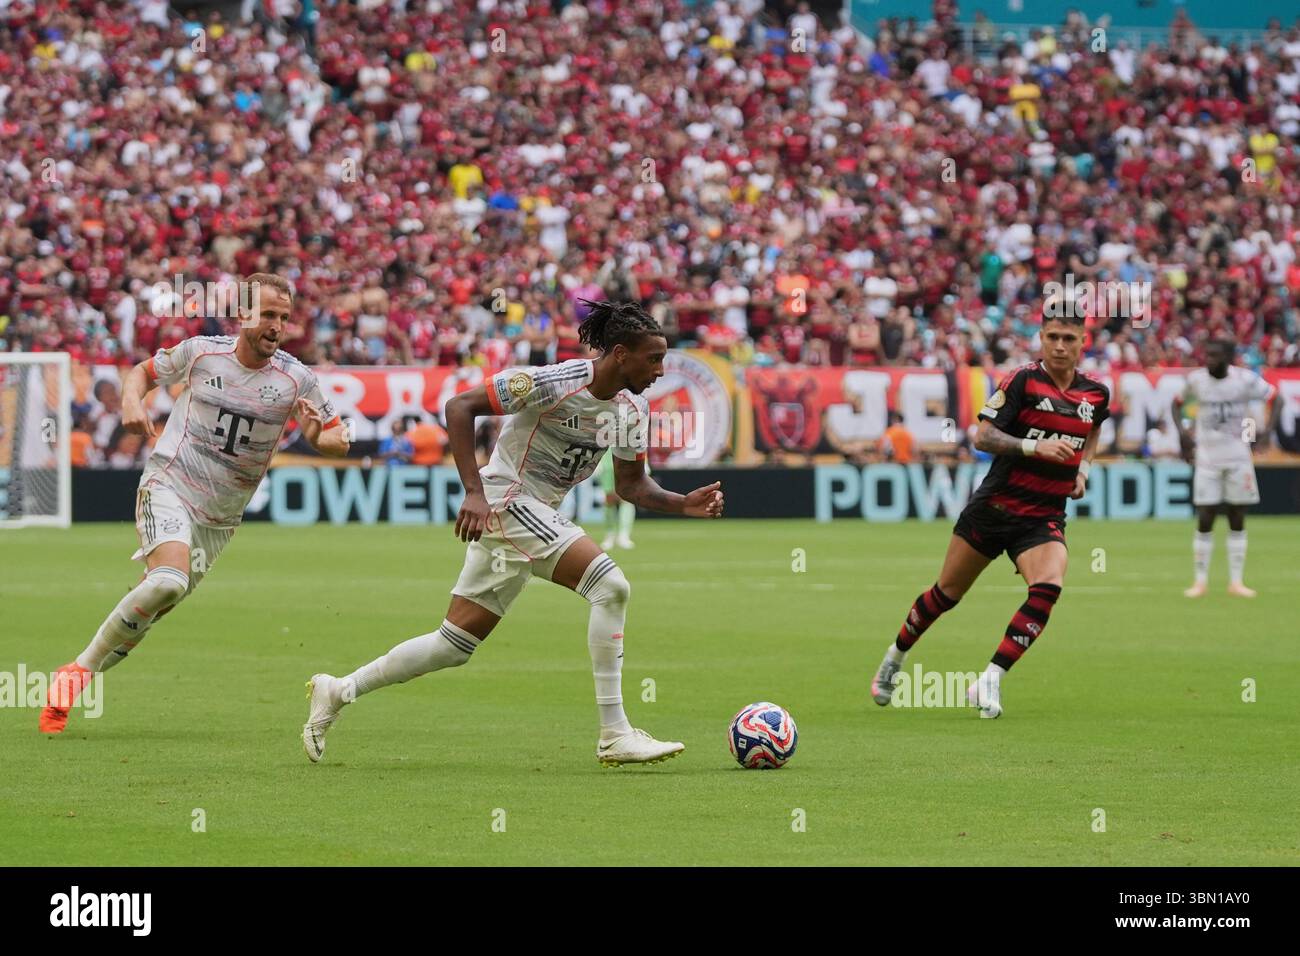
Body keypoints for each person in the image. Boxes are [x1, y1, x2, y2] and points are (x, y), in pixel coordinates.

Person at [302, 301, 724, 766]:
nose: (662, 370)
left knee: (453, 644)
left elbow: (630, 485)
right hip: (507, 501)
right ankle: (614, 732)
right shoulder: (553, 383)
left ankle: (339, 690)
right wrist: (474, 491)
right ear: (621, 354)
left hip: (534, 516)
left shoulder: (631, 409)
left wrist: (680, 502)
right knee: (611, 587)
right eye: (654, 358)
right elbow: (460, 406)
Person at [39, 274, 351, 734]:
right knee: (167, 581)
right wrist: (132, 403)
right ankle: (77, 673)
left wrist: (321, 439)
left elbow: (335, 439)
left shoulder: (296, 379)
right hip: (171, 483)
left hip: (221, 518)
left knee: (151, 609)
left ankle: (76, 677)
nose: (277, 326)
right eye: (268, 314)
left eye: (284, 317)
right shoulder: (202, 353)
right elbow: (141, 373)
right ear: (243, 314)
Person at [869, 313, 1110, 718]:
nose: (1060, 346)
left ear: (1083, 341)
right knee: (945, 595)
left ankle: (990, 678)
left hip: (1043, 517)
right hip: (995, 508)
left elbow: (1094, 431)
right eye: (1052, 337)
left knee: (1048, 587)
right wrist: (1036, 448)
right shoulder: (1022, 381)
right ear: (1041, 337)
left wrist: (1083, 471)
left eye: (1068, 338)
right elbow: (984, 435)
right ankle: (895, 655)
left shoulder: (1095, 395)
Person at [1173, 338, 1279, 598]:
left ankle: (1236, 582)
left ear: (1228, 358)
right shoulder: (1196, 380)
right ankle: (1200, 582)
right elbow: (1176, 404)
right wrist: (1183, 435)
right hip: (1207, 458)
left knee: (1237, 516)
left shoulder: (1244, 380)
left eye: (1214, 356)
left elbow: (1277, 399)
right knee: (1205, 517)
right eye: (1207, 355)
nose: (1209, 360)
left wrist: (1267, 432)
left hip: (1238, 458)